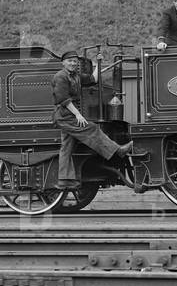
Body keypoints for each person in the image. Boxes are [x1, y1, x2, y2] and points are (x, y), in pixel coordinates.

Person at [52, 52, 131, 190]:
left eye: (75, 61)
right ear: (63, 63)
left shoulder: (76, 76)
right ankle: (118, 150)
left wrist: (97, 63)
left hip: (69, 115)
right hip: (65, 115)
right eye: (70, 61)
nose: (73, 63)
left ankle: (64, 181)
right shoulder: (60, 77)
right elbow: (63, 99)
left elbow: (93, 79)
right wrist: (78, 115)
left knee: (67, 147)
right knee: (92, 128)